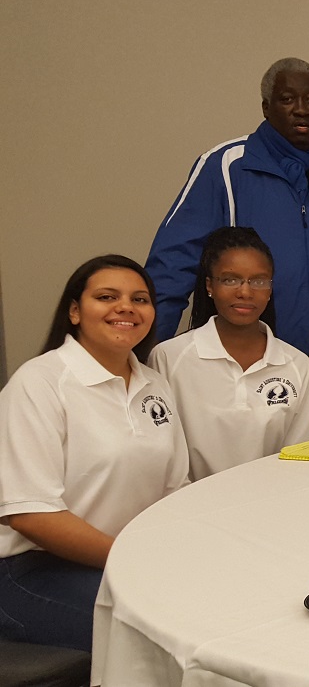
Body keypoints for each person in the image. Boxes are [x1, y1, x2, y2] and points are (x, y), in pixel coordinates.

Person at [0, 256, 189, 651]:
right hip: (30, 570)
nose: (126, 307)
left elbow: (174, 488)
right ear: (74, 311)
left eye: (140, 299)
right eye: (107, 297)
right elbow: (30, 513)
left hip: (126, 558)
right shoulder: (39, 383)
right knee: (166, 633)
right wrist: (132, 559)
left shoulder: (153, 383)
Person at [146, 57, 309, 354]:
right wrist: (144, 353)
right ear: (266, 107)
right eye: (287, 99)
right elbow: (172, 268)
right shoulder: (226, 167)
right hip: (248, 361)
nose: (301, 109)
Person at [149, 228, 309, 480]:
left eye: (258, 281)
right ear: (209, 286)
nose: (245, 292)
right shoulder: (169, 358)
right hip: (187, 506)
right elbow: (162, 455)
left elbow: (298, 458)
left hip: (270, 504)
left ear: (270, 289)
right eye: (230, 280)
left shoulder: (297, 364)